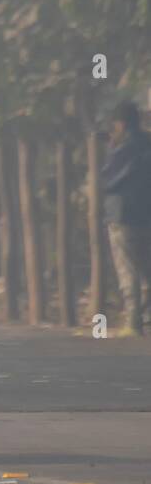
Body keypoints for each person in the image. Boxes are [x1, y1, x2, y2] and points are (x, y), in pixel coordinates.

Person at [101, 100, 151, 336]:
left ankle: (133, 322)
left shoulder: (121, 148)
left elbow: (108, 180)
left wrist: (110, 148)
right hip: (147, 214)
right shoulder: (148, 142)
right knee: (146, 268)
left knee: (128, 270)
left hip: (122, 216)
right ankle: (146, 317)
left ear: (119, 123)